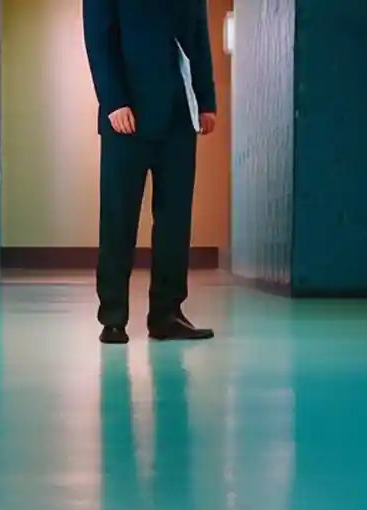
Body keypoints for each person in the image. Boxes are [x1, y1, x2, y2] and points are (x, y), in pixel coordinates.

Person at [83, 0, 218, 344]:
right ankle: (113, 318)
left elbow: (198, 37)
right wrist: (113, 100)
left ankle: (167, 314)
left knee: (175, 221)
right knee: (119, 219)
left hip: (178, 114)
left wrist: (206, 101)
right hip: (127, 115)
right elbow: (99, 38)